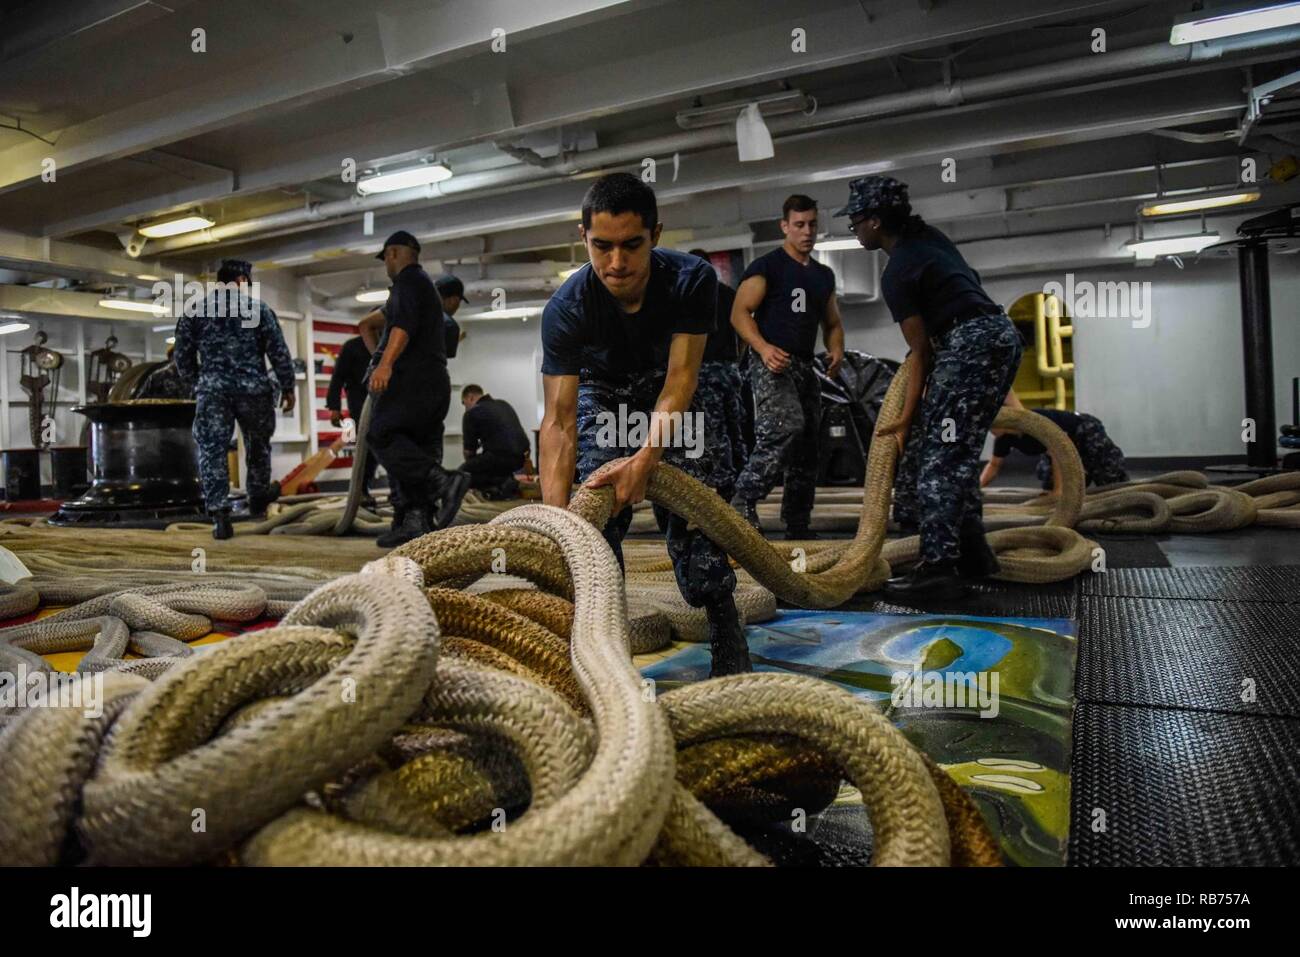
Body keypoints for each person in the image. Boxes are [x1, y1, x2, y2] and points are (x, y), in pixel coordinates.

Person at [540, 172, 750, 676]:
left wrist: (645, 457)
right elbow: (560, 422)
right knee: (594, 506)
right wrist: (556, 523)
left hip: (666, 388)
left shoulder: (692, 279)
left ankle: (724, 625)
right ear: (583, 237)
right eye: (602, 246)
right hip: (604, 389)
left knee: (697, 505)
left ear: (656, 235)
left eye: (631, 245)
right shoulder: (566, 307)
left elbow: (680, 380)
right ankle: (601, 639)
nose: (616, 263)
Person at [838, 175, 1022, 599]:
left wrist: (903, 419)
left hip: (970, 343)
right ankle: (974, 553)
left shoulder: (898, 270)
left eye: (857, 221)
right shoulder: (930, 238)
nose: (855, 229)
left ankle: (938, 568)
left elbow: (919, 352)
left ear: (877, 221)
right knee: (955, 452)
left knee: (939, 459)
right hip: (998, 336)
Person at [730, 195, 845, 540]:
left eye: (812, 224)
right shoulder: (769, 267)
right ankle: (743, 497)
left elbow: (833, 322)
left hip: (805, 364)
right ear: (785, 226)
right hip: (771, 362)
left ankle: (797, 521)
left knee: (808, 441)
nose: (806, 231)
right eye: (799, 225)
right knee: (785, 425)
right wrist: (763, 349)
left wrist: (836, 349)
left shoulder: (823, 275)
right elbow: (738, 313)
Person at [173, 258, 295, 540]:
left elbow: (182, 357)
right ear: (242, 280)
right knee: (258, 448)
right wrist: (287, 386)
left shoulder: (196, 310)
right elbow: (278, 351)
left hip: (213, 392)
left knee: (213, 450)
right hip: (254, 391)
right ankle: (257, 505)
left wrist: (200, 382)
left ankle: (220, 516)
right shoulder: (258, 309)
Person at [359, 230, 456, 547]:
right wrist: (378, 357)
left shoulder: (407, 282)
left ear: (393, 253)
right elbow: (372, 324)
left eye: (386, 257)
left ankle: (443, 481)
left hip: (412, 379)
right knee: (412, 446)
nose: (386, 263)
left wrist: (384, 363)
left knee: (382, 434)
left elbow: (403, 326)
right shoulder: (424, 286)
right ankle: (416, 520)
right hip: (434, 382)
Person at [981, 389, 1129, 491]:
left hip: (1083, 429)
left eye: (993, 427)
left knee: (1108, 477)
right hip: (1059, 446)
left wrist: (1059, 493)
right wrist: (975, 489)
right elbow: (994, 465)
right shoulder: (1004, 439)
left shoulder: (1034, 424)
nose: (991, 431)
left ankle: (1093, 473)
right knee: (1048, 478)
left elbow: (1057, 451)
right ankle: (1081, 474)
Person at [325, 334, 378, 506]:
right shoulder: (352, 347)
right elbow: (338, 377)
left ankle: (395, 492)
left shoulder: (389, 344)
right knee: (366, 446)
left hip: (385, 400)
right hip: (359, 400)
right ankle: (361, 490)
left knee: (383, 445)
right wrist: (334, 407)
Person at [460, 384, 530, 495]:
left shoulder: (471, 414)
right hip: (520, 459)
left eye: (464, 403)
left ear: (470, 397)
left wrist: (471, 465)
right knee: (488, 461)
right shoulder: (504, 404)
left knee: (463, 472)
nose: (465, 407)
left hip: (498, 458)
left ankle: (500, 483)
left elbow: (469, 452)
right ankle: (505, 482)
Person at [434, 274, 468, 361]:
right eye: (459, 301)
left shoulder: (413, 314)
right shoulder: (448, 325)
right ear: (454, 300)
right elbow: (436, 365)